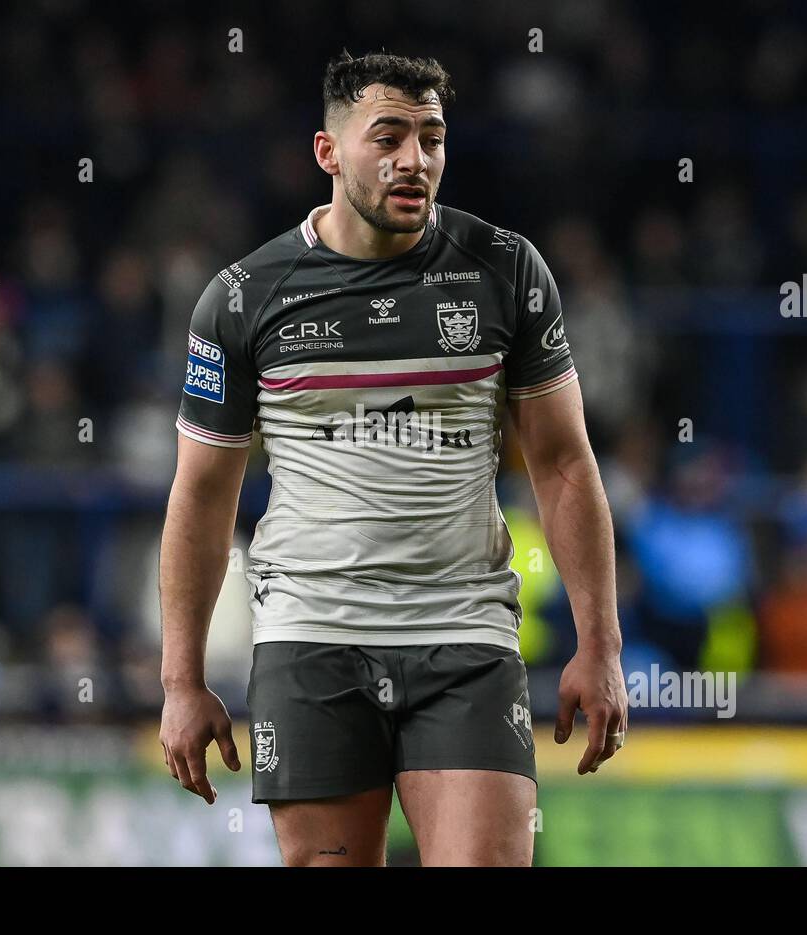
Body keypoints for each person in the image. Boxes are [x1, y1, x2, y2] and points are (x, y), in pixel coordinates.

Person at [158, 50, 627, 867]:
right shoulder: (243, 298)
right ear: (328, 152)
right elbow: (202, 496)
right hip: (312, 637)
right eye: (390, 136)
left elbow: (562, 464)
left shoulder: (504, 272)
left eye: (432, 137)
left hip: (465, 635)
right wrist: (181, 681)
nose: (416, 160)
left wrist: (602, 646)